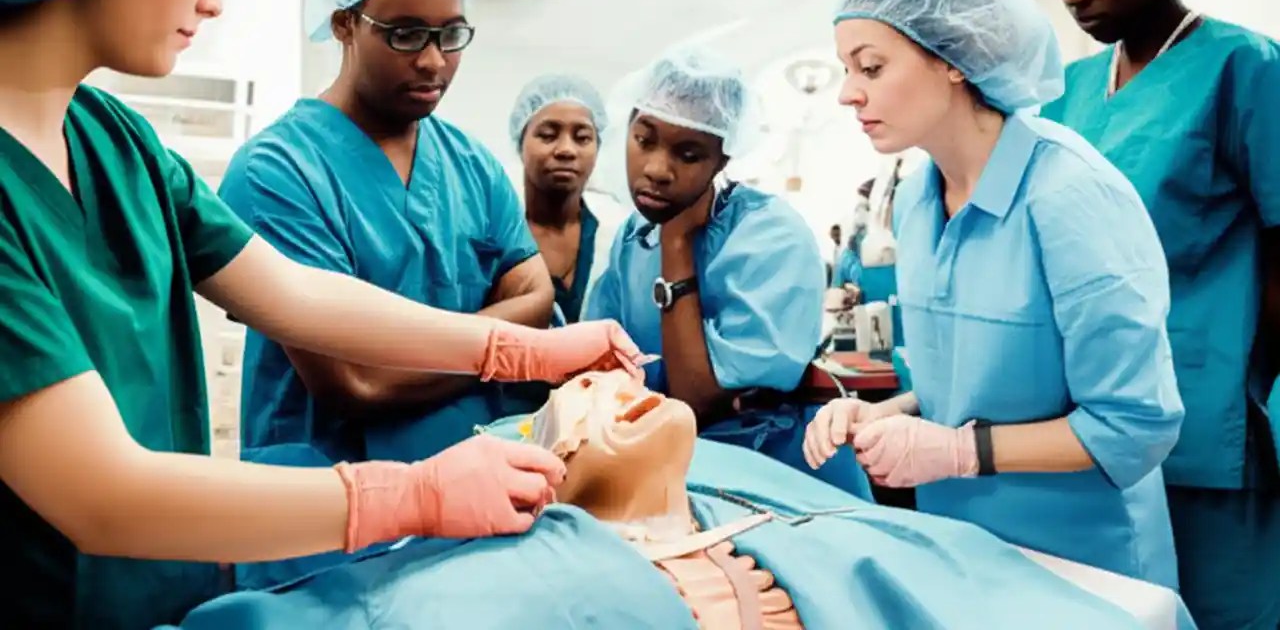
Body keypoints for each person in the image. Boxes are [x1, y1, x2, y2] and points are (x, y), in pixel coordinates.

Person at [0, 0, 642, 627]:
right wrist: (410, 496)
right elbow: (102, 497)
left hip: (162, 595)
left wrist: (524, 349)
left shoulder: (118, 142)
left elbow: (295, 293)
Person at [169, 370, 1190, 630]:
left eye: (620, 375)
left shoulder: (777, 505)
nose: (619, 380)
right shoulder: (496, 573)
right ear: (545, 463)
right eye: (582, 393)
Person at [804, 0, 1186, 588]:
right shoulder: (922, 202)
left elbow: (1132, 426)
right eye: (845, 70)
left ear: (952, 58)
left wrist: (955, 451)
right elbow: (966, 386)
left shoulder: (1069, 196)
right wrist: (885, 416)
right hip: (968, 549)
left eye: (870, 67)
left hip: (1088, 565)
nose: (847, 93)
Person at [219, 0, 556, 466]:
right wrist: (501, 344)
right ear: (344, 23)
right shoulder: (277, 171)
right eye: (405, 35)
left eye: (451, 35)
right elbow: (357, 383)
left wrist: (425, 353)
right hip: (326, 514)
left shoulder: (474, 166)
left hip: (484, 490)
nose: (432, 61)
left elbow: (539, 302)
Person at [1034, 0, 1280, 626]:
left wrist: (1255, 386)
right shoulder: (1068, 91)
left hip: (1211, 408)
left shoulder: (1246, 68)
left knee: (1224, 608)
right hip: (1087, 417)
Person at [585, 46, 873, 501]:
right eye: (644, 139)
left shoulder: (771, 237)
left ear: (723, 158)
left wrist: (678, 247)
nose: (658, 169)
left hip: (780, 476)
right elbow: (597, 370)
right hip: (672, 471)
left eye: (688, 153)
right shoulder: (634, 238)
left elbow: (696, 401)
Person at [508, 74, 627, 326]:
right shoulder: (495, 232)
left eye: (582, 137)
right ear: (520, 142)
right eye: (548, 135)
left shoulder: (620, 237)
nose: (566, 150)